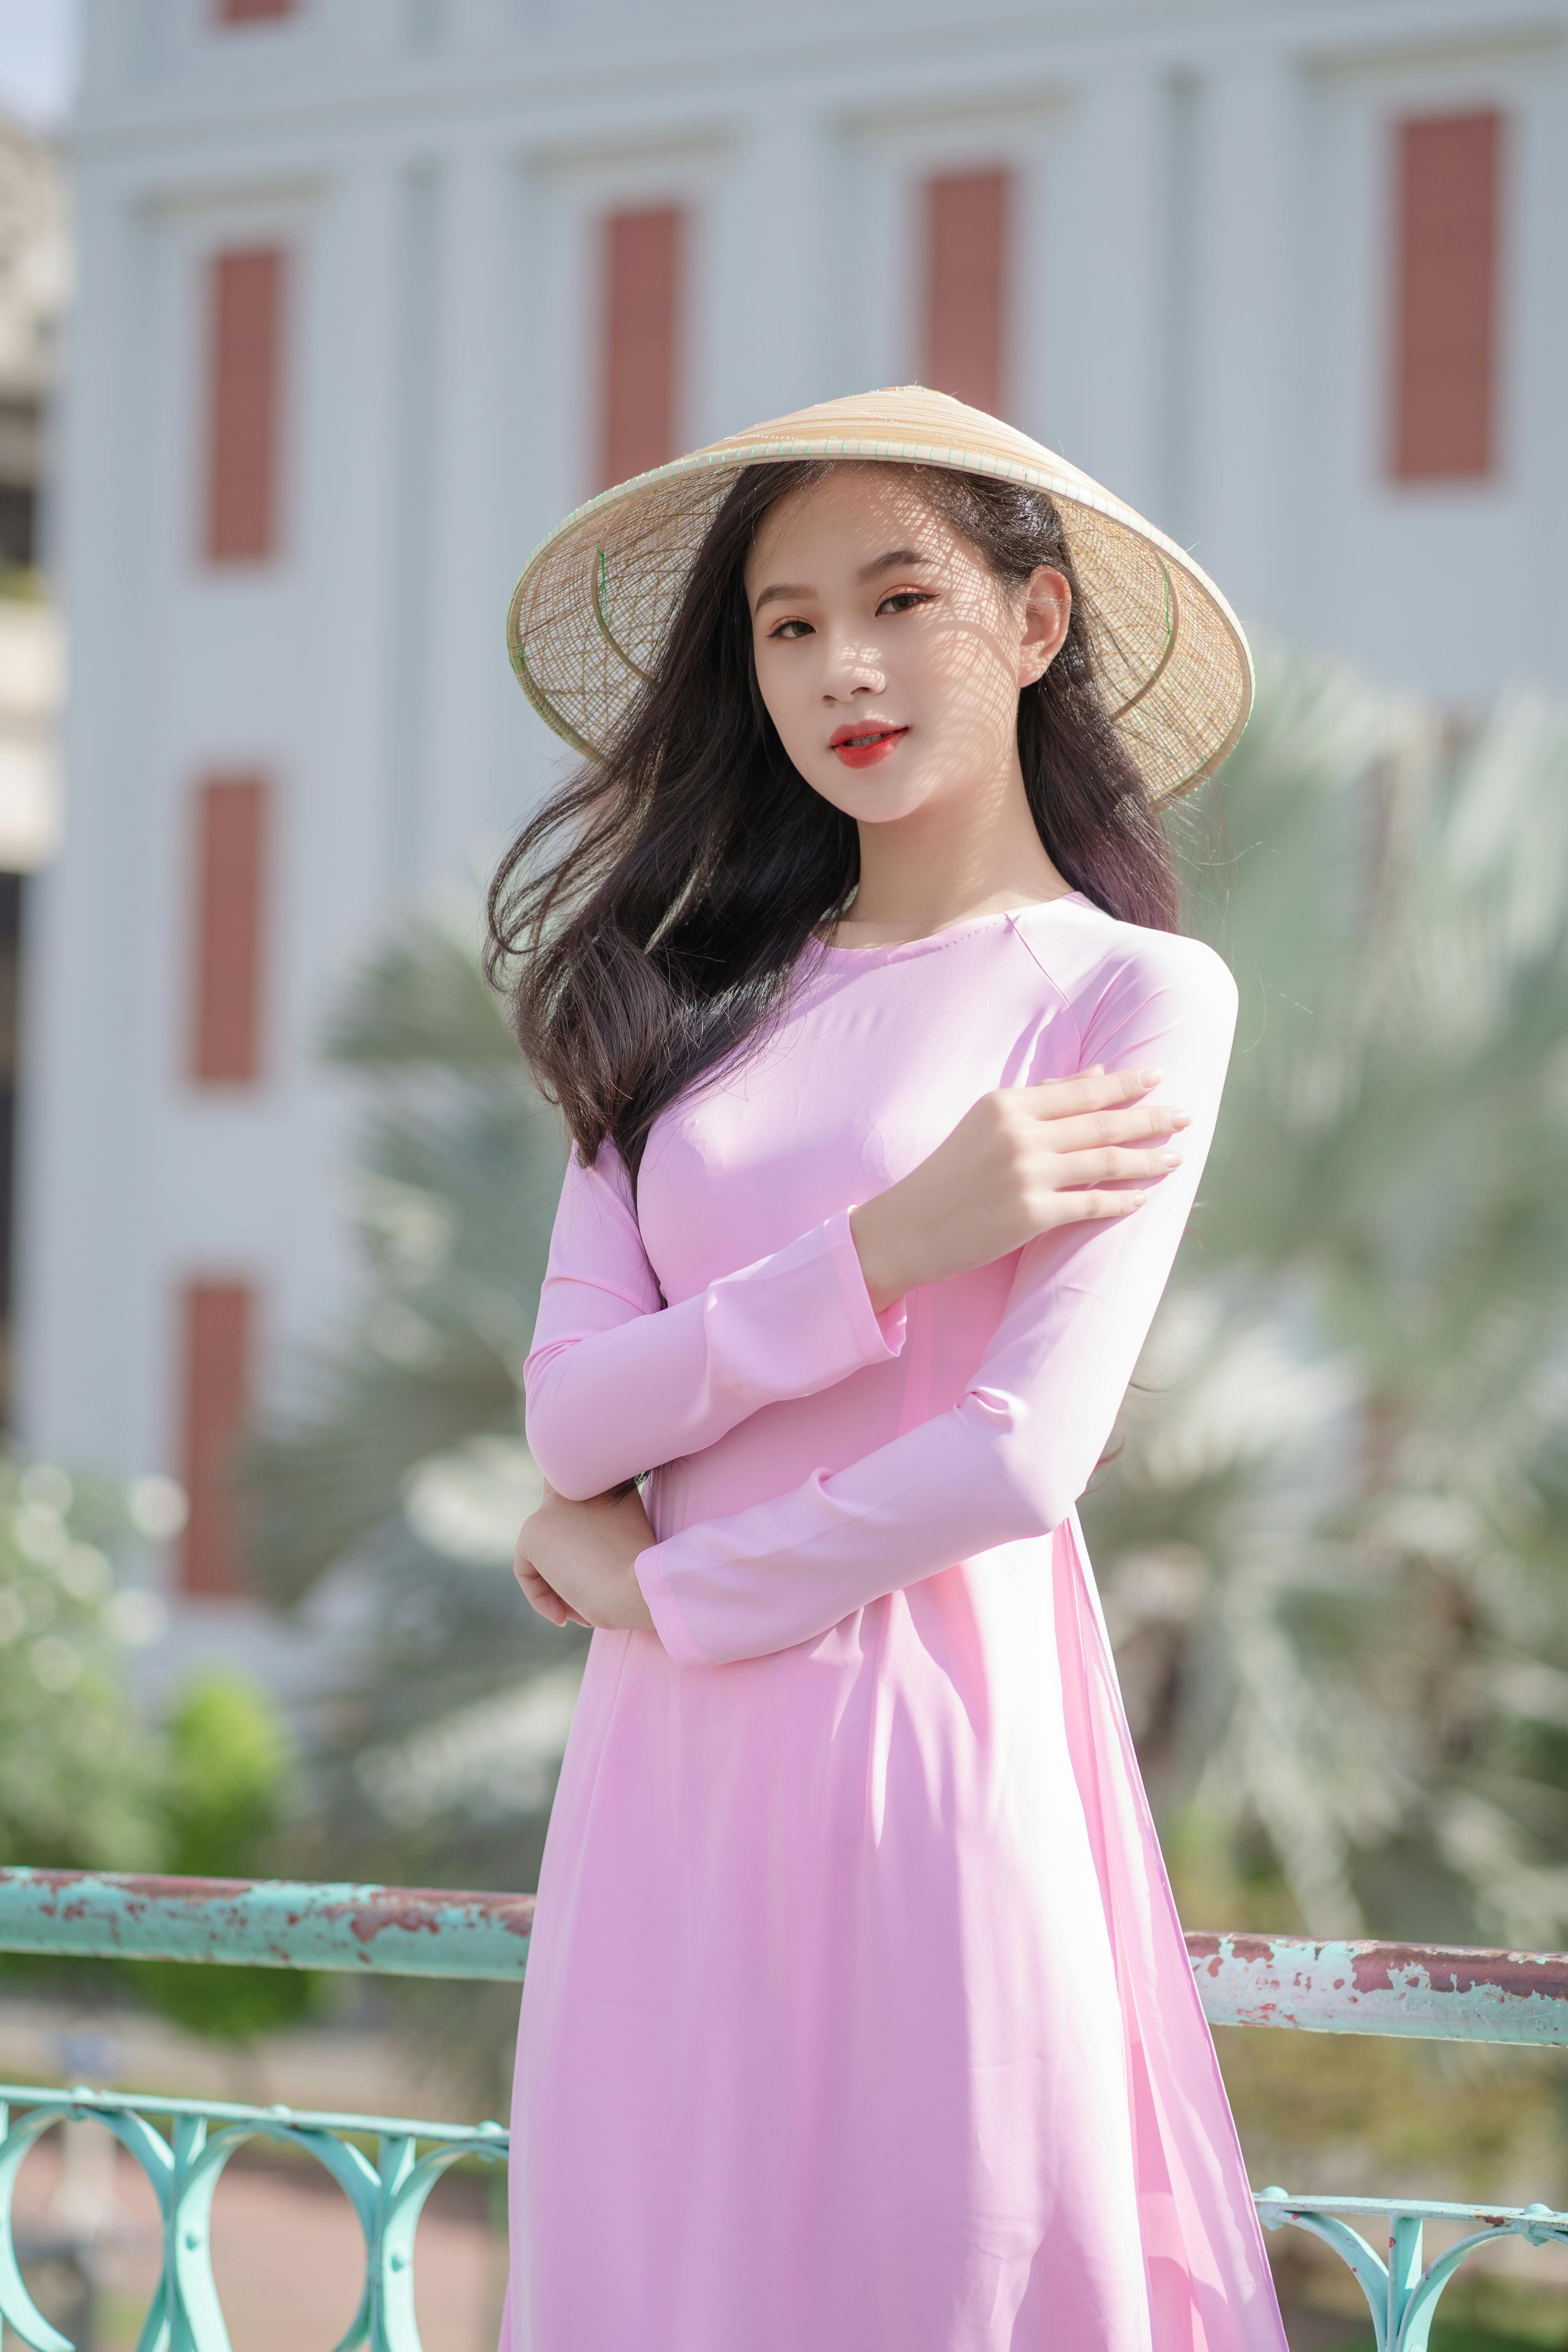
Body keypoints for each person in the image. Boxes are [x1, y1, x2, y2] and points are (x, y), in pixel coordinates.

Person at [488, 387, 1287, 2350]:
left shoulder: (1126, 993)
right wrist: (892, 1247)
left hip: (930, 1752)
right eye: (783, 622)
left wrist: (658, 1588)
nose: (840, 666)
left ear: (1033, 623)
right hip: (662, 1784)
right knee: (650, 2273)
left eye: (900, 597)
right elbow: (574, 1416)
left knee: (933, 2268)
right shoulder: (673, 993)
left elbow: (1018, 1461)